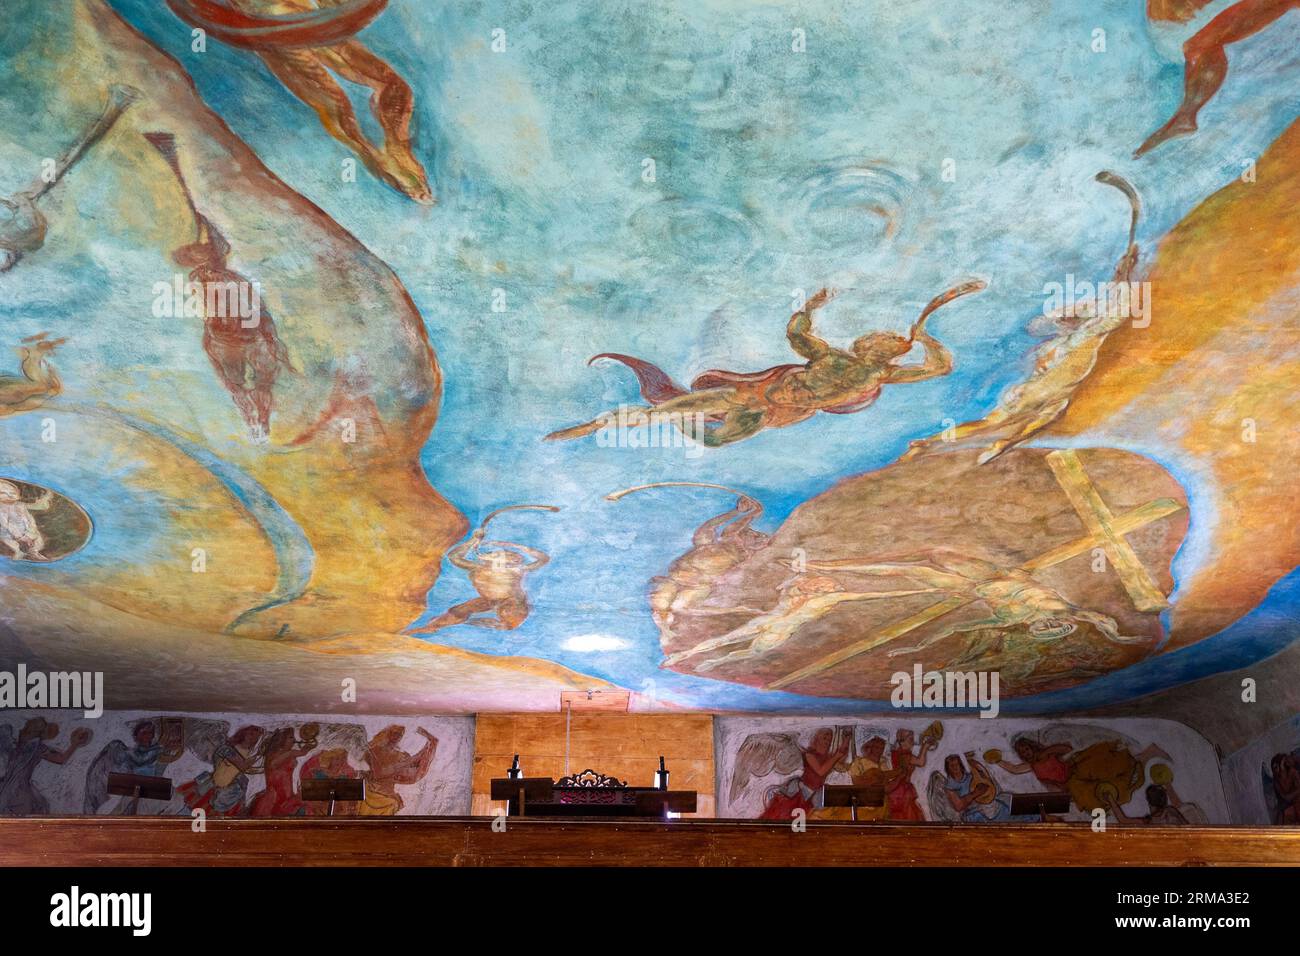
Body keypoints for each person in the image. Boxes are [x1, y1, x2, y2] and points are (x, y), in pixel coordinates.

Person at [547, 281, 984, 448]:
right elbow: (796, 336)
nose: (872, 337)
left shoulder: (881, 374)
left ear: (888, 351)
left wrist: (927, 338)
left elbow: (939, 368)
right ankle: (595, 426)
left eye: (884, 338)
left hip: (770, 410)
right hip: (752, 394)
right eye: (875, 334)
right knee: (662, 411)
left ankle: (684, 424)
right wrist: (810, 307)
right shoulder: (832, 356)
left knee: (715, 441)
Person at [165, 0, 432, 202]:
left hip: (305, 22)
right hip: (273, 30)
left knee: (391, 87)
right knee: (336, 103)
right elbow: (201, 11)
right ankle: (375, 157)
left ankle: (396, 153)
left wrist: (342, 12)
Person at [1136, 0, 1300, 156]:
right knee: (1198, 45)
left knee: (1199, 46)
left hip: (1186, 30)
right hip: (1176, 26)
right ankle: (1185, 116)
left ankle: (1186, 116)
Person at [0, 718, 91, 814]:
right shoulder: (14, 745)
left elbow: (61, 759)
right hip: (7, 787)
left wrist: (74, 744)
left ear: (31, 732)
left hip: (18, 792)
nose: (20, 730)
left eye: (26, 727)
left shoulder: (37, 748)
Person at [759, 727, 850, 821]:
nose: (827, 741)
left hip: (815, 793)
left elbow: (842, 754)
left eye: (829, 739)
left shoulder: (828, 758)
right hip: (802, 793)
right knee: (789, 818)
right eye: (824, 738)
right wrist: (837, 756)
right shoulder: (809, 755)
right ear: (817, 738)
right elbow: (820, 771)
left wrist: (847, 739)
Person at [177, 725, 266, 817]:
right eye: (251, 734)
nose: (253, 738)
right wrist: (260, 754)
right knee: (189, 812)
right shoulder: (226, 749)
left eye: (257, 737)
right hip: (212, 788)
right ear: (243, 734)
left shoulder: (251, 755)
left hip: (231, 793)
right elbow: (242, 766)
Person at [358, 726, 437, 815]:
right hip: (373, 794)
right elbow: (379, 773)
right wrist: (411, 760)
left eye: (400, 735)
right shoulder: (375, 750)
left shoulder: (402, 755)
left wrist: (429, 747)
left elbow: (415, 773)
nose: (397, 737)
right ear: (387, 733)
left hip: (389, 796)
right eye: (394, 733)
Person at [888, 728, 934, 821]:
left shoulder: (899, 753)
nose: (913, 742)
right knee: (909, 815)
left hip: (902, 788)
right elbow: (921, 762)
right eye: (910, 739)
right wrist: (925, 747)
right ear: (902, 741)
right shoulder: (904, 755)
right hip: (902, 789)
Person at [0, 480, 53, 560]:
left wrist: (30, 533)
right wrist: (20, 537)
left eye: (13, 493)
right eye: (3, 493)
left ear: (18, 493)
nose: (9, 495)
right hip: (10, 534)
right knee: (15, 546)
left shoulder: (20, 505)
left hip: (26, 531)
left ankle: (34, 552)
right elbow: (7, 524)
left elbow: (30, 519)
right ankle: (18, 557)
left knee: (38, 541)